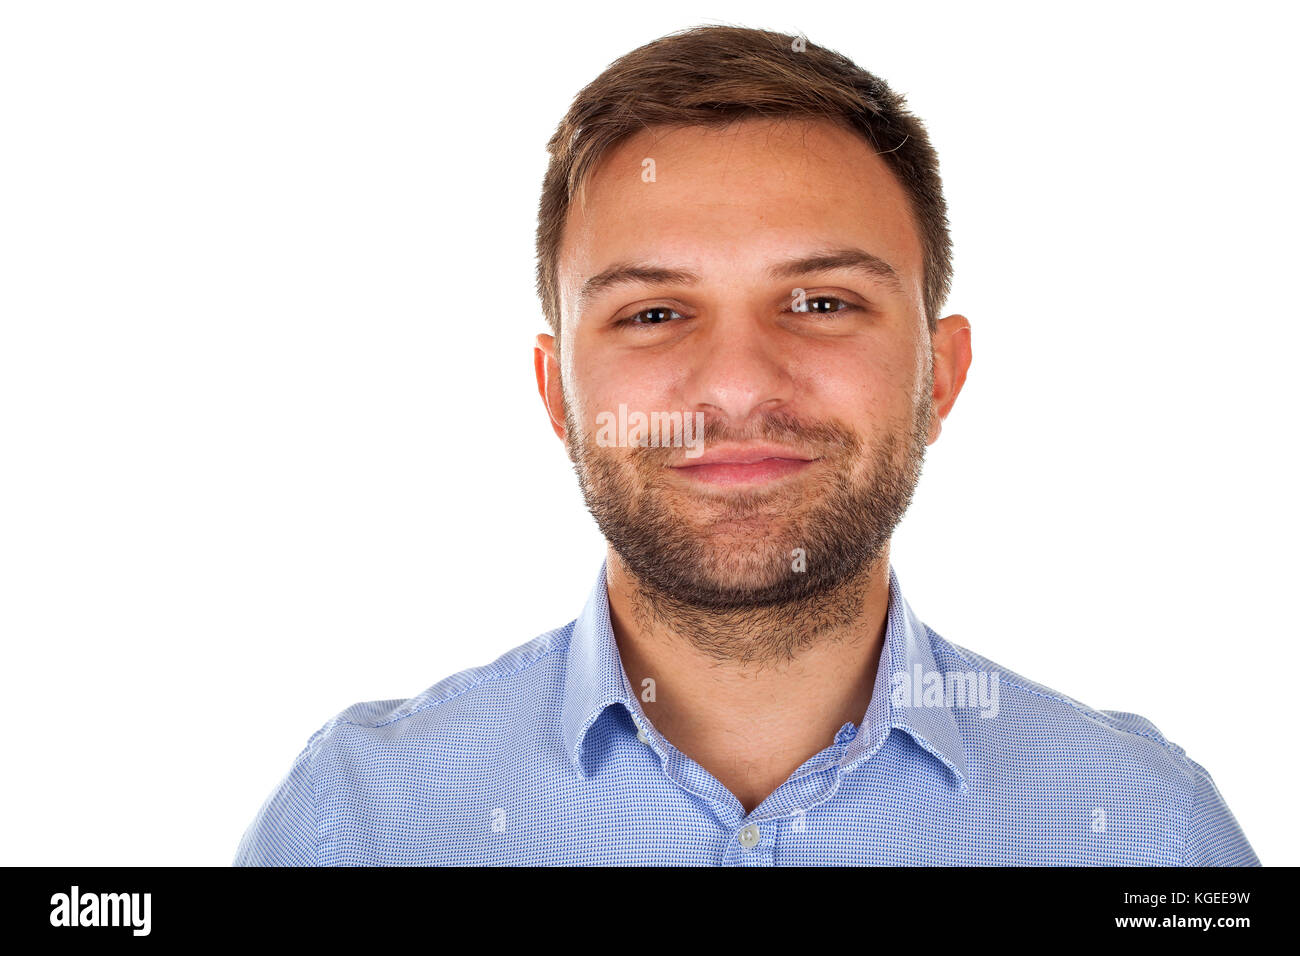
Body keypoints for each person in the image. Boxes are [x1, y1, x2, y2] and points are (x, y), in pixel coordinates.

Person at [234, 24, 1258, 866]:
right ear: (557, 391)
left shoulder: (1147, 834)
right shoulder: (356, 824)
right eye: (651, 312)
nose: (735, 384)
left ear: (938, 373)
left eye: (820, 301)